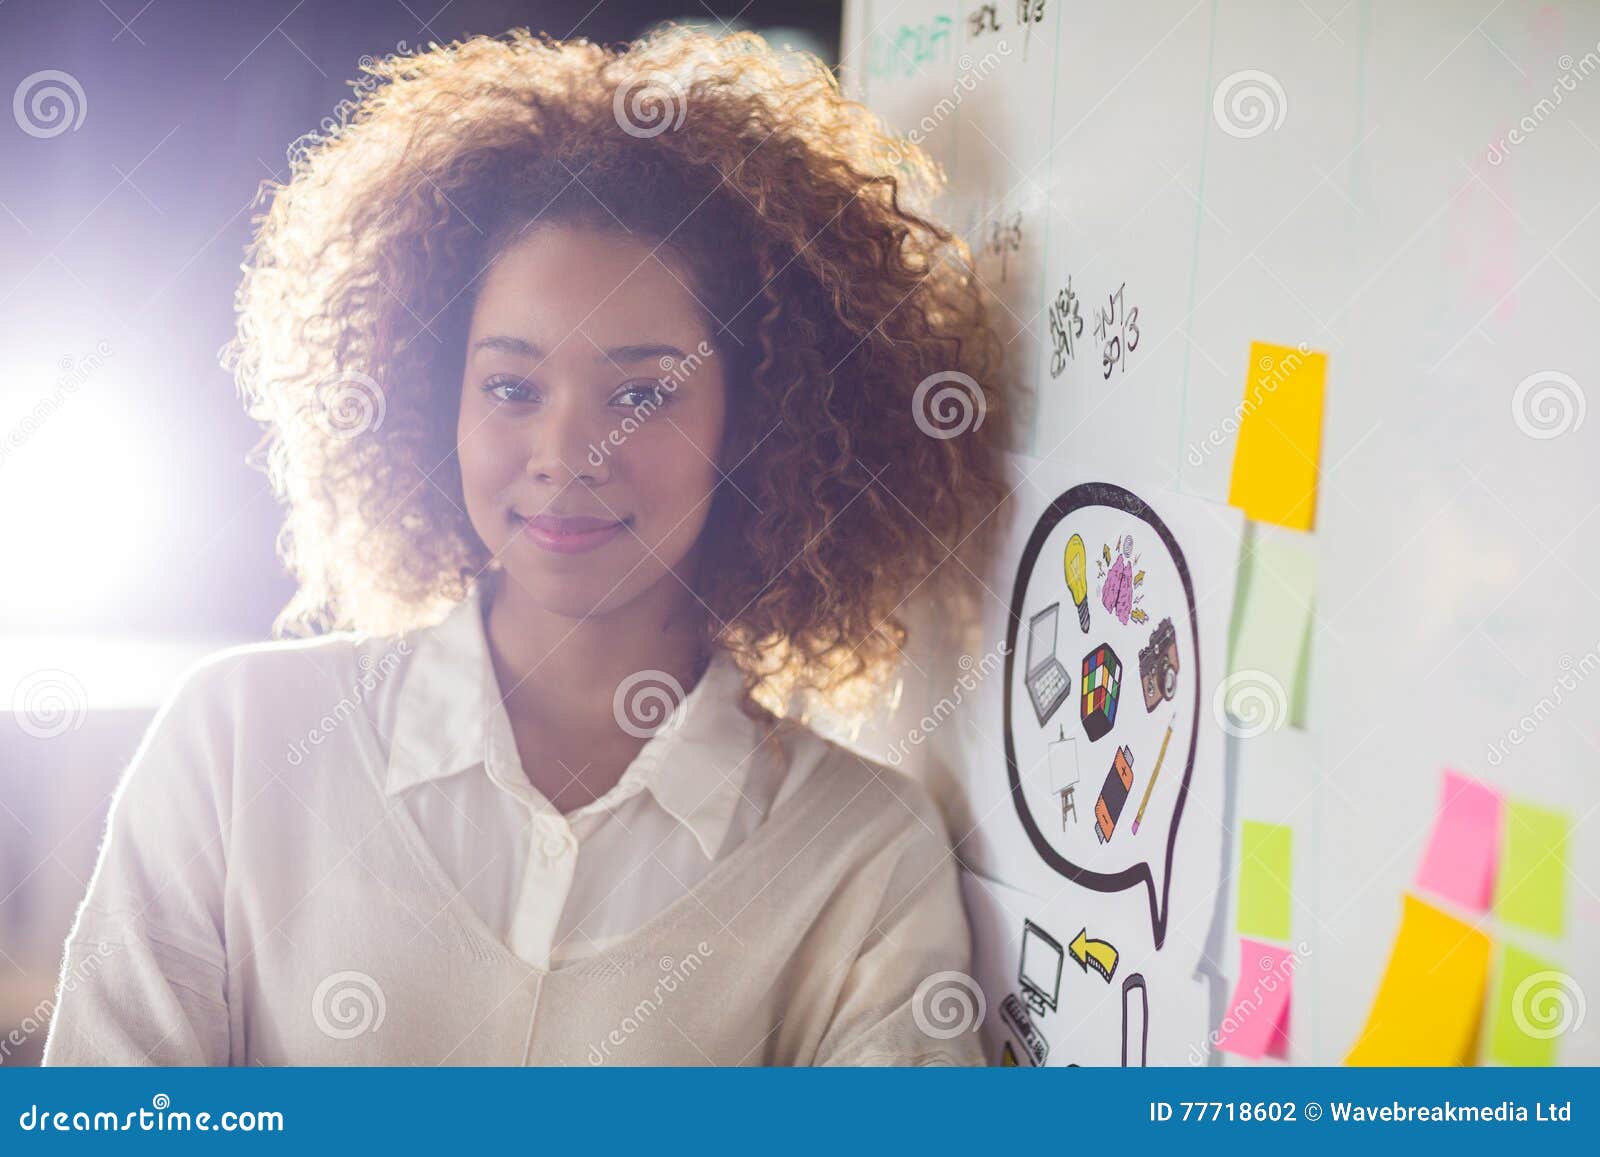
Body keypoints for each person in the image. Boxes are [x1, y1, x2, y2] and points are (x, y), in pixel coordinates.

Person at [42, 23, 1009, 1066]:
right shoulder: (236, 745)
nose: (565, 453)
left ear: (763, 419)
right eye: (510, 386)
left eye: (641, 393)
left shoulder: (860, 857)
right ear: (433, 399)